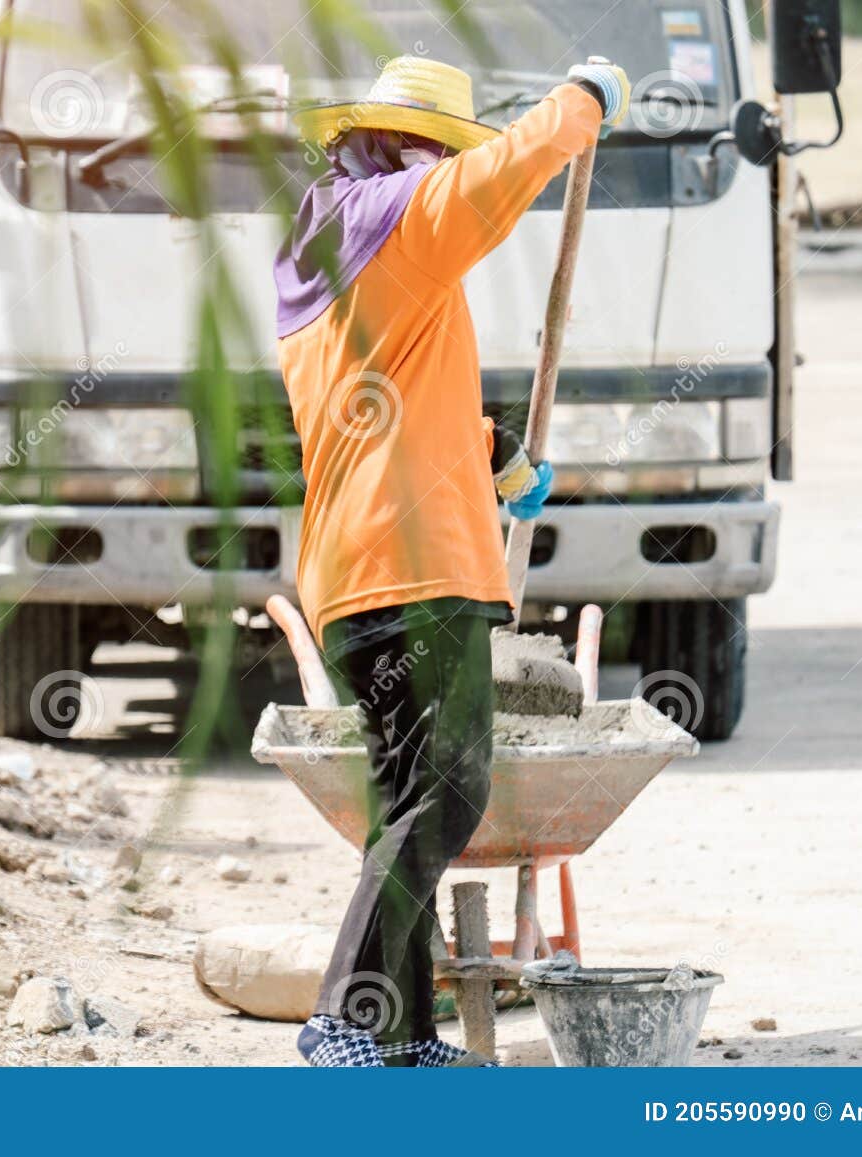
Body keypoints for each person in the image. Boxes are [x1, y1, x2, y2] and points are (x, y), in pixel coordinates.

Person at [273, 54, 629, 1066]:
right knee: (450, 793)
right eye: (435, 150)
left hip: (357, 571)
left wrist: (492, 453)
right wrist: (583, 99)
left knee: (406, 802)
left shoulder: (332, 246)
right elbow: (513, 167)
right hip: (416, 569)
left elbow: (387, 400)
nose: (439, 168)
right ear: (401, 147)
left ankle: (398, 1035)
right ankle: (342, 1015)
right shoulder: (404, 216)